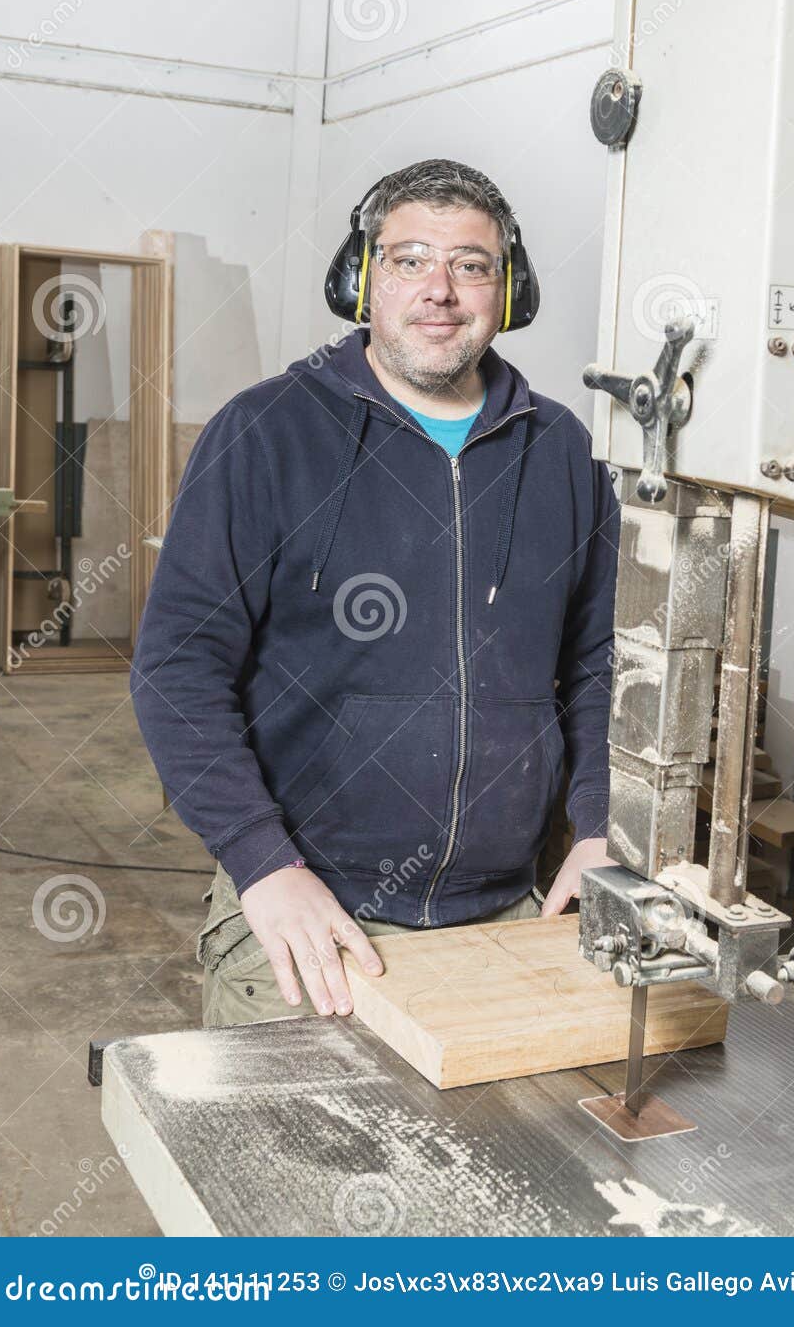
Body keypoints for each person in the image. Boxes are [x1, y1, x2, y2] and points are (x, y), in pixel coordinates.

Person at [131, 158, 619, 1027]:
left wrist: (598, 827)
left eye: (470, 265)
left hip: (511, 911)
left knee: (496, 1159)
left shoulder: (563, 452)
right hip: (307, 913)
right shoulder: (266, 431)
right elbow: (177, 669)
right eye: (409, 260)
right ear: (362, 279)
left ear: (509, 291)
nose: (440, 289)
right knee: (276, 1163)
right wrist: (262, 864)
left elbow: (597, 663)